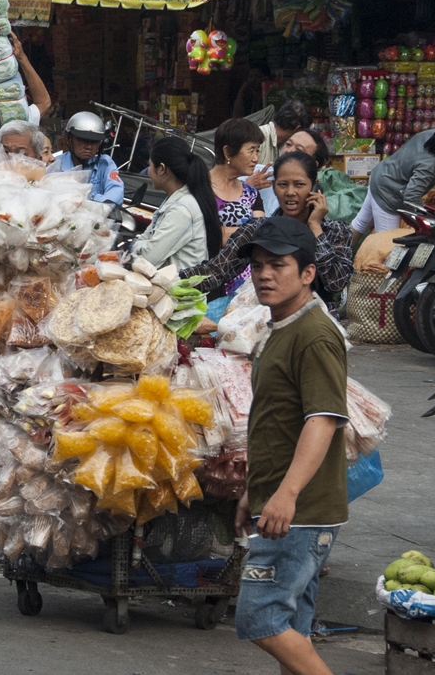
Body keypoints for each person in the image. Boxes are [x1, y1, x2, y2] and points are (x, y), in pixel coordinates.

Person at [234, 217, 349, 675]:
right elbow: (277, 423)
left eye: (278, 265)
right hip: (284, 502)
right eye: (258, 265)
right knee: (292, 628)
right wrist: (255, 491)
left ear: (307, 273)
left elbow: (323, 420)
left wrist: (287, 493)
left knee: (259, 618)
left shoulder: (314, 334)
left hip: (300, 512)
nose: (265, 274)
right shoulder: (283, 326)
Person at [184, 151, 353, 312]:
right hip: (261, 322)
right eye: (282, 185)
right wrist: (171, 282)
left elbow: (336, 283)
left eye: (300, 184)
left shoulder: (335, 230)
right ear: (273, 187)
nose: (290, 192)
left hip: (317, 323)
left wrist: (315, 227)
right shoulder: (259, 228)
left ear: (314, 185)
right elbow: (217, 270)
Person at [351, 129, 435, 248]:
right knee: (389, 245)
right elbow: (411, 197)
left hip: (382, 174)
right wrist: (430, 215)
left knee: (361, 223)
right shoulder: (429, 165)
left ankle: (339, 259)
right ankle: (381, 271)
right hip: (388, 191)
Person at [129, 136, 222, 272]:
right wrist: (142, 244)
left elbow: (148, 258)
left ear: (161, 169)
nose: (148, 171)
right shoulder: (176, 199)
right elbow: (146, 237)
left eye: (149, 165)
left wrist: (133, 246)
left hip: (177, 290)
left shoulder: (182, 209)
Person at [53, 111, 125, 206]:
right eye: (83, 140)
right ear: (68, 139)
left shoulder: (105, 163)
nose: (89, 147)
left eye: (94, 142)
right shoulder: (55, 164)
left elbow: (116, 194)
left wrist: (88, 198)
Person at [211, 117, 265, 238]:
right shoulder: (200, 187)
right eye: (251, 150)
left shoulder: (251, 194)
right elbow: (202, 235)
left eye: (257, 150)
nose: (256, 158)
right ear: (228, 152)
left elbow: (261, 234)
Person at [260, 128, 330, 215]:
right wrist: (248, 189)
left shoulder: (331, 226)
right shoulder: (256, 173)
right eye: (288, 144)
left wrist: (314, 224)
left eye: (299, 150)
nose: (289, 151)